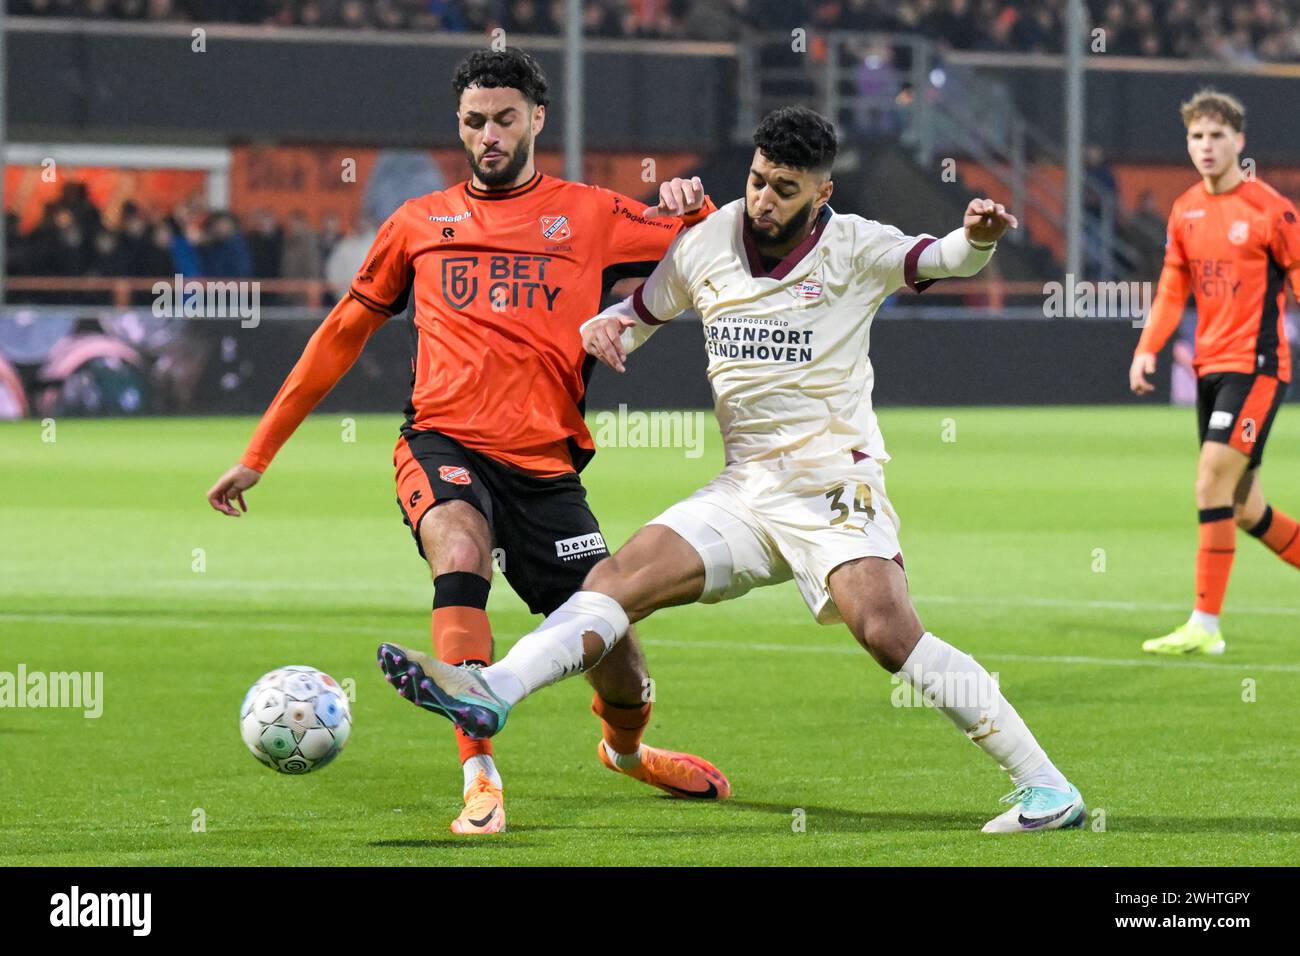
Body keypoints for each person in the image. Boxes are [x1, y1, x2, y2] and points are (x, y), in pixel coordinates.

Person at [376, 106, 1087, 834]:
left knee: (885, 630)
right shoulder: (709, 240)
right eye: (756, 180)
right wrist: (611, 325)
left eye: (784, 187)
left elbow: (940, 259)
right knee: (612, 584)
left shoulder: (853, 245)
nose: (764, 199)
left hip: (833, 484)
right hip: (746, 489)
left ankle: (1046, 787)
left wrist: (977, 238)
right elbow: (644, 310)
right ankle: (492, 690)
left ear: (821, 192)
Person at [207, 48, 729, 835]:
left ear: (536, 120)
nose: (488, 135)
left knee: (616, 647)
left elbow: (707, 243)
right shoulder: (417, 223)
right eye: (474, 122)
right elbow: (341, 335)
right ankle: (480, 777)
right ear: (460, 125)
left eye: (504, 119)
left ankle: (626, 752)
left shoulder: (588, 214)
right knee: (459, 551)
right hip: (441, 441)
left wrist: (695, 201)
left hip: (548, 471)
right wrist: (259, 452)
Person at [1130, 89, 1300, 655]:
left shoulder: (1270, 210)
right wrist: (1148, 347)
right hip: (1209, 368)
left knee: (1210, 481)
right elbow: (1174, 285)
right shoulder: (1186, 210)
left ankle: (1205, 624)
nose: (1205, 146)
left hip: (1256, 368)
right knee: (1247, 507)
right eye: (1197, 137)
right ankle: (1205, 623)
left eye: (1216, 136)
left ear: (1239, 142)